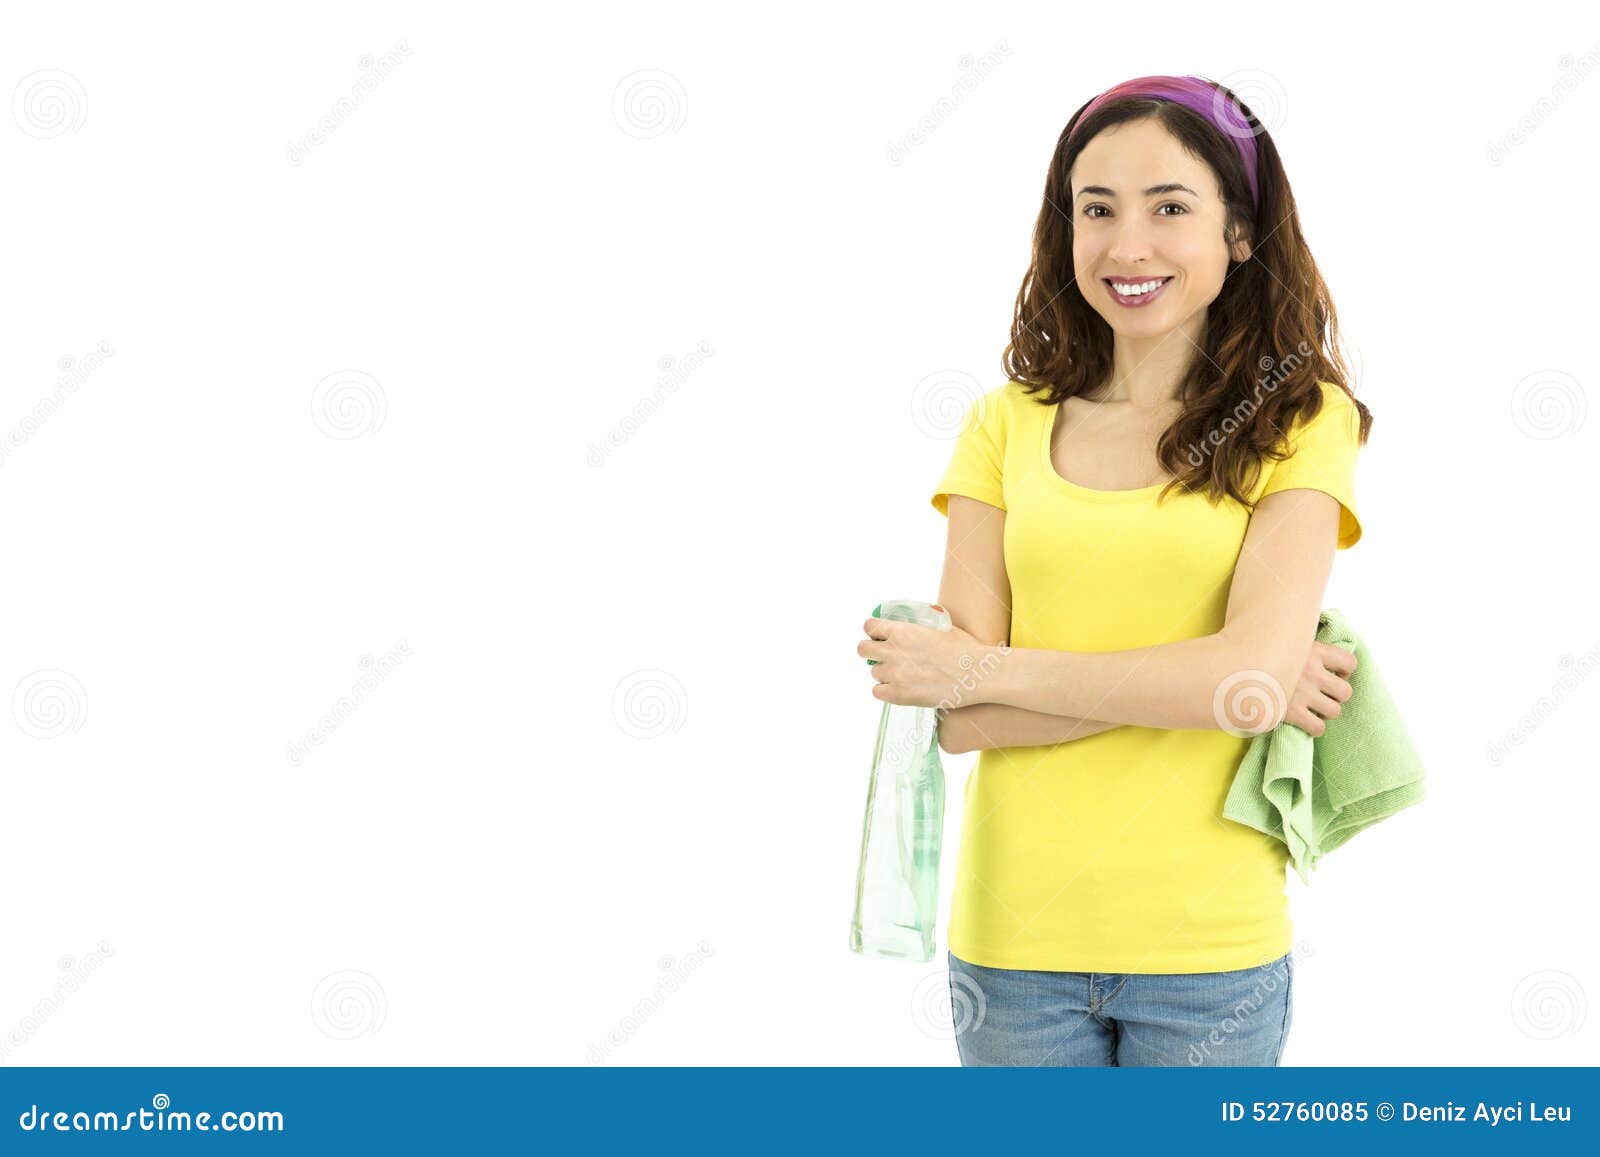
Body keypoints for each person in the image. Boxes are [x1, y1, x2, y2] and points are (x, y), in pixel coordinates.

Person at [857, 75, 1373, 1067]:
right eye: (1095, 210)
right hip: (1011, 946)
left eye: (1168, 207)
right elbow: (959, 719)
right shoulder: (1003, 423)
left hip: (1209, 950)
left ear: (1239, 231)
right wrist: (1219, 679)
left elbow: (971, 678)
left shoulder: (1301, 419)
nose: (1125, 245)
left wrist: (980, 667)